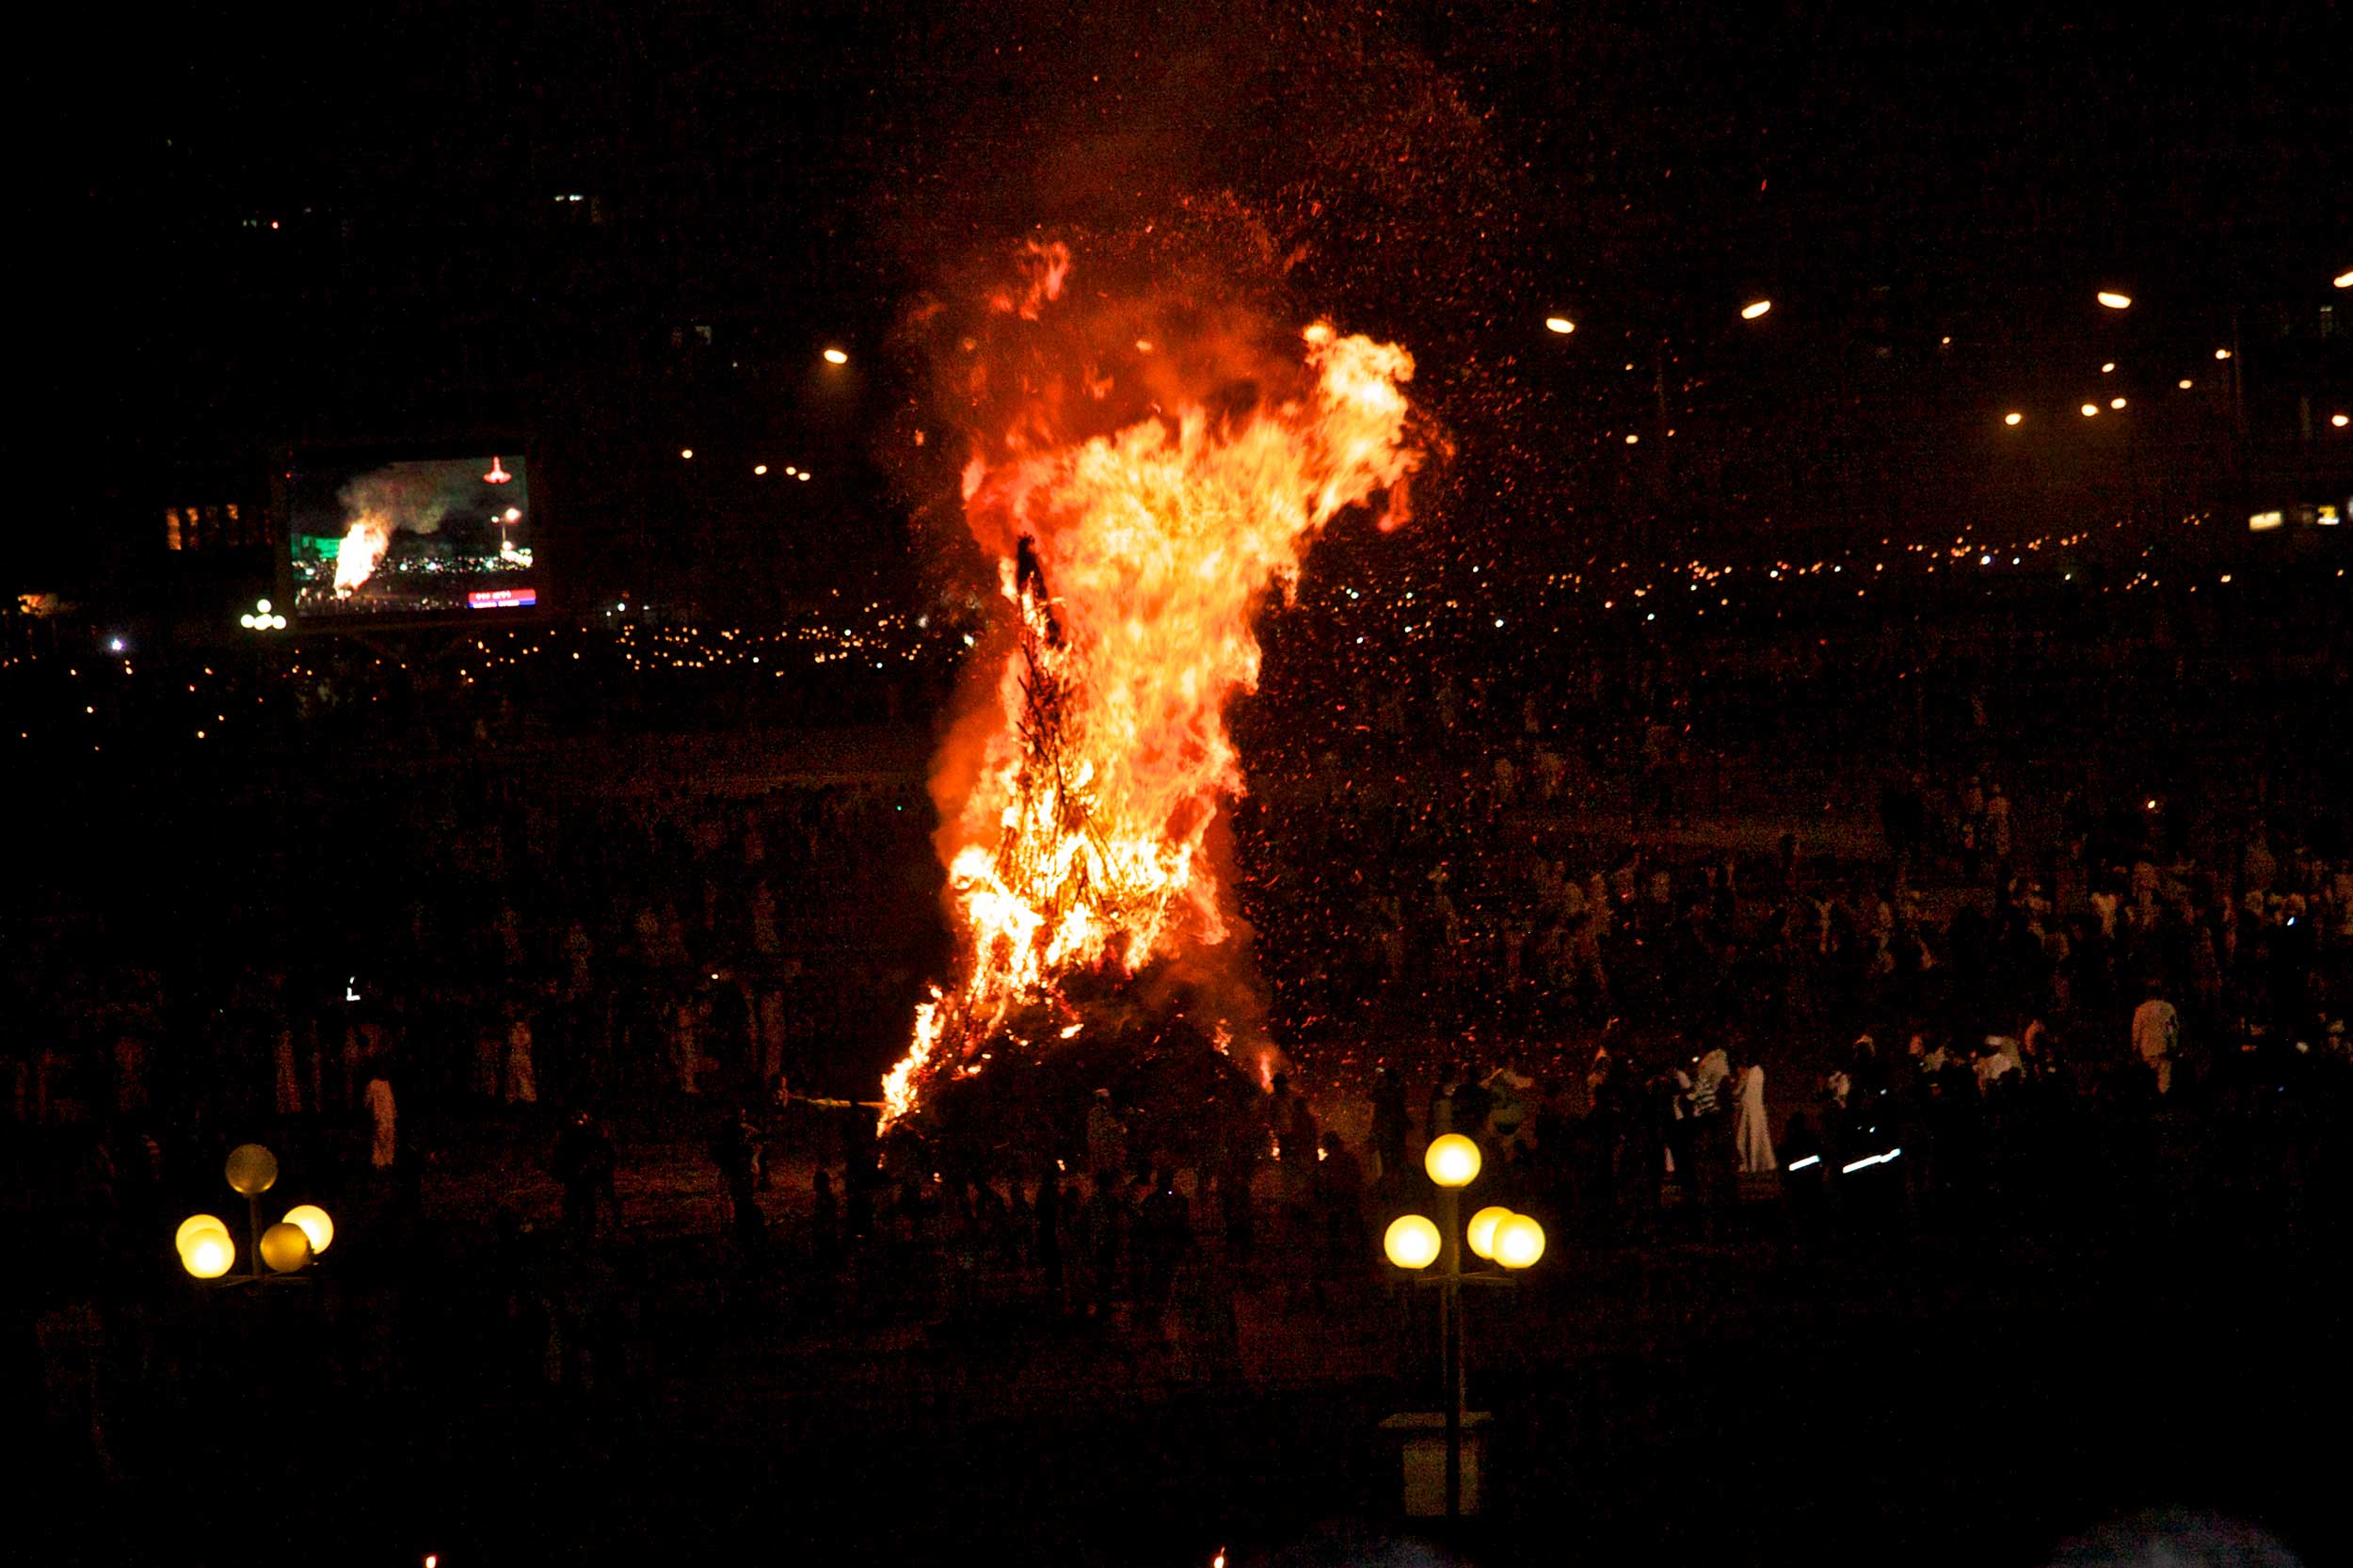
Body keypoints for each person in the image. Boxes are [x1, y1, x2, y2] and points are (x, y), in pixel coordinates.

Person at [2131, 981, 2179, 1096]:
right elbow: (2171, 1029)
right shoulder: (2168, 1008)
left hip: (2146, 1051)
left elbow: (2136, 1031)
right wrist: (2173, 1044)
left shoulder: (2141, 1010)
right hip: (2163, 1050)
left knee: (2148, 1082)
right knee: (2164, 1083)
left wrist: (2135, 1048)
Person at [1735, 1062, 1776, 1175]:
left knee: (1746, 1139)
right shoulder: (1759, 1071)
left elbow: (1737, 1092)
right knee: (1760, 1138)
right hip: (1758, 1109)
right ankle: (1761, 1163)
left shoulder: (1747, 1074)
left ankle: (1748, 1165)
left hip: (1747, 1111)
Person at [365, 1067, 397, 1171]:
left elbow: (367, 1103)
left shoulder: (382, 1084)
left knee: (383, 1140)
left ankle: (384, 1164)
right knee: (383, 1140)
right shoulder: (376, 1084)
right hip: (384, 1118)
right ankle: (383, 1164)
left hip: (384, 1118)